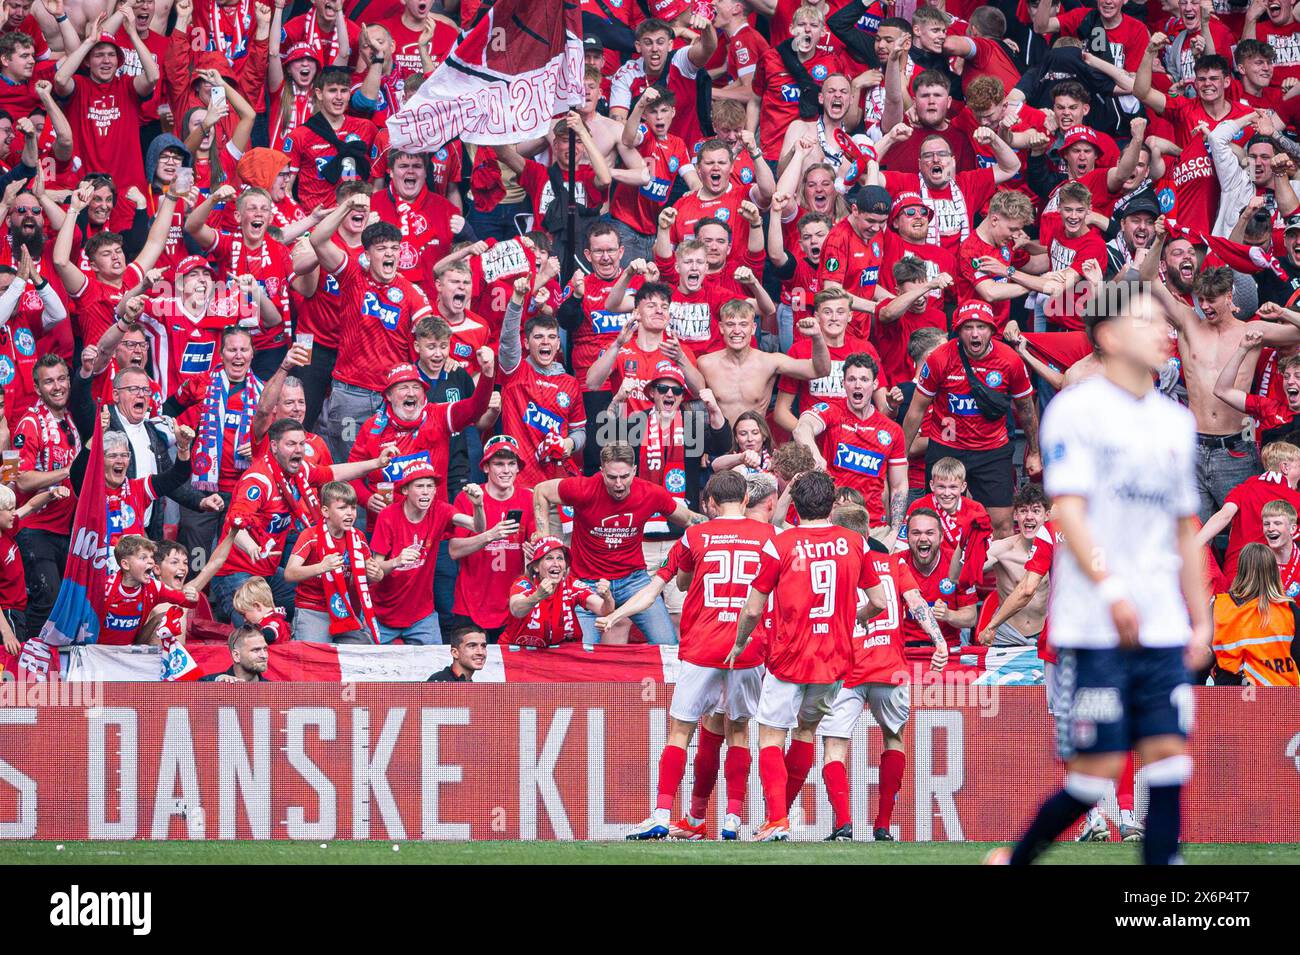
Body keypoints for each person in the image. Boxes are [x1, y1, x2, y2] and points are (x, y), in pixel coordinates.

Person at [989, 288, 1212, 867]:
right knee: (1095, 775)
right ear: (1109, 337)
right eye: (1147, 320)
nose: (1164, 330)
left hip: (1160, 620)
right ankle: (1015, 861)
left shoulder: (1175, 422)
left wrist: (1201, 621)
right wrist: (1112, 590)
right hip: (1094, 625)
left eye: (1165, 320)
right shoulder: (1076, 410)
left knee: (1168, 757)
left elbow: (1185, 529)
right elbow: (1072, 514)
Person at [725, 470, 888, 842]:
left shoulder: (780, 543)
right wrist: (852, 618)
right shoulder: (855, 543)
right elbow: (878, 602)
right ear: (832, 506)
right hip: (833, 660)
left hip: (789, 657)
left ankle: (777, 819)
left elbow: (752, 610)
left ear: (795, 506)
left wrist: (739, 643)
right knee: (806, 732)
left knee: (770, 736)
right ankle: (779, 817)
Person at [616, 471, 777, 841]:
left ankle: (660, 813)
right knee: (738, 731)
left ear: (709, 504)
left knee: (680, 732)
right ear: (746, 496)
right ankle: (732, 819)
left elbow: (677, 583)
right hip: (748, 647)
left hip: (703, 646)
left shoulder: (695, 534)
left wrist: (616, 614)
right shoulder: (771, 537)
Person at [818, 503, 947, 842]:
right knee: (894, 739)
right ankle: (883, 826)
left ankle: (843, 825)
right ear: (868, 532)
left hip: (846, 670)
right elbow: (917, 603)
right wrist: (939, 641)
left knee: (834, 747)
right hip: (890, 668)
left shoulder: (833, 565)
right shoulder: (893, 564)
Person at [531, 442, 703, 645]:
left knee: (667, 644)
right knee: (578, 653)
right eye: (612, 477)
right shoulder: (584, 488)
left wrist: (725, 525)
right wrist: (544, 539)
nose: (619, 484)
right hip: (587, 583)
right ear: (602, 471)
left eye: (625, 476)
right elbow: (541, 490)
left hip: (633, 581)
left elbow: (691, 520)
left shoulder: (650, 493)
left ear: (635, 471)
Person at [902, 300, 1041, 539]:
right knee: (935, 522)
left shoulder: (1009, 360)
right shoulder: (939, 358)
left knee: (1003, 526)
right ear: (958, 330)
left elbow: (1027, 410)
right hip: (947, 448)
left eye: (981, 327)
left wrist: (1035, 452)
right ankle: (941, 576)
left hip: (992, 450)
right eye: (968, 327)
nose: (975, 334)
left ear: (991, 330)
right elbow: (916, 409)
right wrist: (900, 456)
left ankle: (997, 577)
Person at [793, 352, 907, 539]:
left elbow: (899, 485)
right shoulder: (832, 411)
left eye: (864, 379)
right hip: (832, 521)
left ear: (875, 384)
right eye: (852, 379)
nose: (858, 385)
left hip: (874, 527)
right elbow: (801, 429)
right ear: (843, 383)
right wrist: (816, 457)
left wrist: (894, 531)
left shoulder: (892, 430)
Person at [368, 460, 479, 645]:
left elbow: (476, 525)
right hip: (382, 614)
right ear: (405, 490)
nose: (426, 491)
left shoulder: (440, 510)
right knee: (369, 669)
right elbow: (374, 573)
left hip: (421, 617)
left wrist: (479, 506)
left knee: (433, 668)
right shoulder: (388, 516)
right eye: (420, 486)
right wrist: (397, 561)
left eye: (430, 486)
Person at [448, 435, 535, 642]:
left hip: (514, 603)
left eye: (511, 464)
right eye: (498, 464)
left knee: (513, 671)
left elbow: (536, 549)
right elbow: (454, 550)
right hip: (471, 604)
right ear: (486, 467)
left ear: (518, 468)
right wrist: (490, 535)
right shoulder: (468, 497)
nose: (506, 470)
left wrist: (535, 553)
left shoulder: (528, 498)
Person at [284, 480, 386, 644]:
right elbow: (289, 574)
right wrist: (322, 567)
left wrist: (376, 574)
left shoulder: (358, 537)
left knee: (363, 650)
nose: (350, 514)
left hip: (346, 610)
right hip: (312, 609)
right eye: (342, 508)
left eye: (352, 508)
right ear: (325, 511)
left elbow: (373, 575)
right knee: (313, 656)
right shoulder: (310, 535)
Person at [1211, 542, 1300, 686]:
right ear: (1273, 571)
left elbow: (1202, 659)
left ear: (1241, 570)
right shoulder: (1289, 610)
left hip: (1231, 699)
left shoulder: (1219, 607)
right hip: (1281, 700)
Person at [503, 536, 613, 648]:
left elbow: (604, 610)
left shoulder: (571, 584)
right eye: (549, 558)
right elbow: (516, 610)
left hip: (559, 655)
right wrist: (537, 596)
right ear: (536, 566)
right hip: (517, 653)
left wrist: (607, 597)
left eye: (560, 558)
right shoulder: (524, 584)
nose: (556, 563)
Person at [977, 483, 1052, 646]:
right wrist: (965, 545)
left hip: (1043, 633)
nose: (1029, 517)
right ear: (1015, 515)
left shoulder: (1056, 550)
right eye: (1023, 511)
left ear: (1047, 516)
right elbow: (965, 573)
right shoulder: (1001, 548)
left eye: (1036, 511)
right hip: (1007, 634)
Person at [199, 624, 270, 682]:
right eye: (256, 650)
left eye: (265, 649)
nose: (264, 655)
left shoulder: (272, 691)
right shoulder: (207, 683)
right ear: (236, 655)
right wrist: (216, 687)